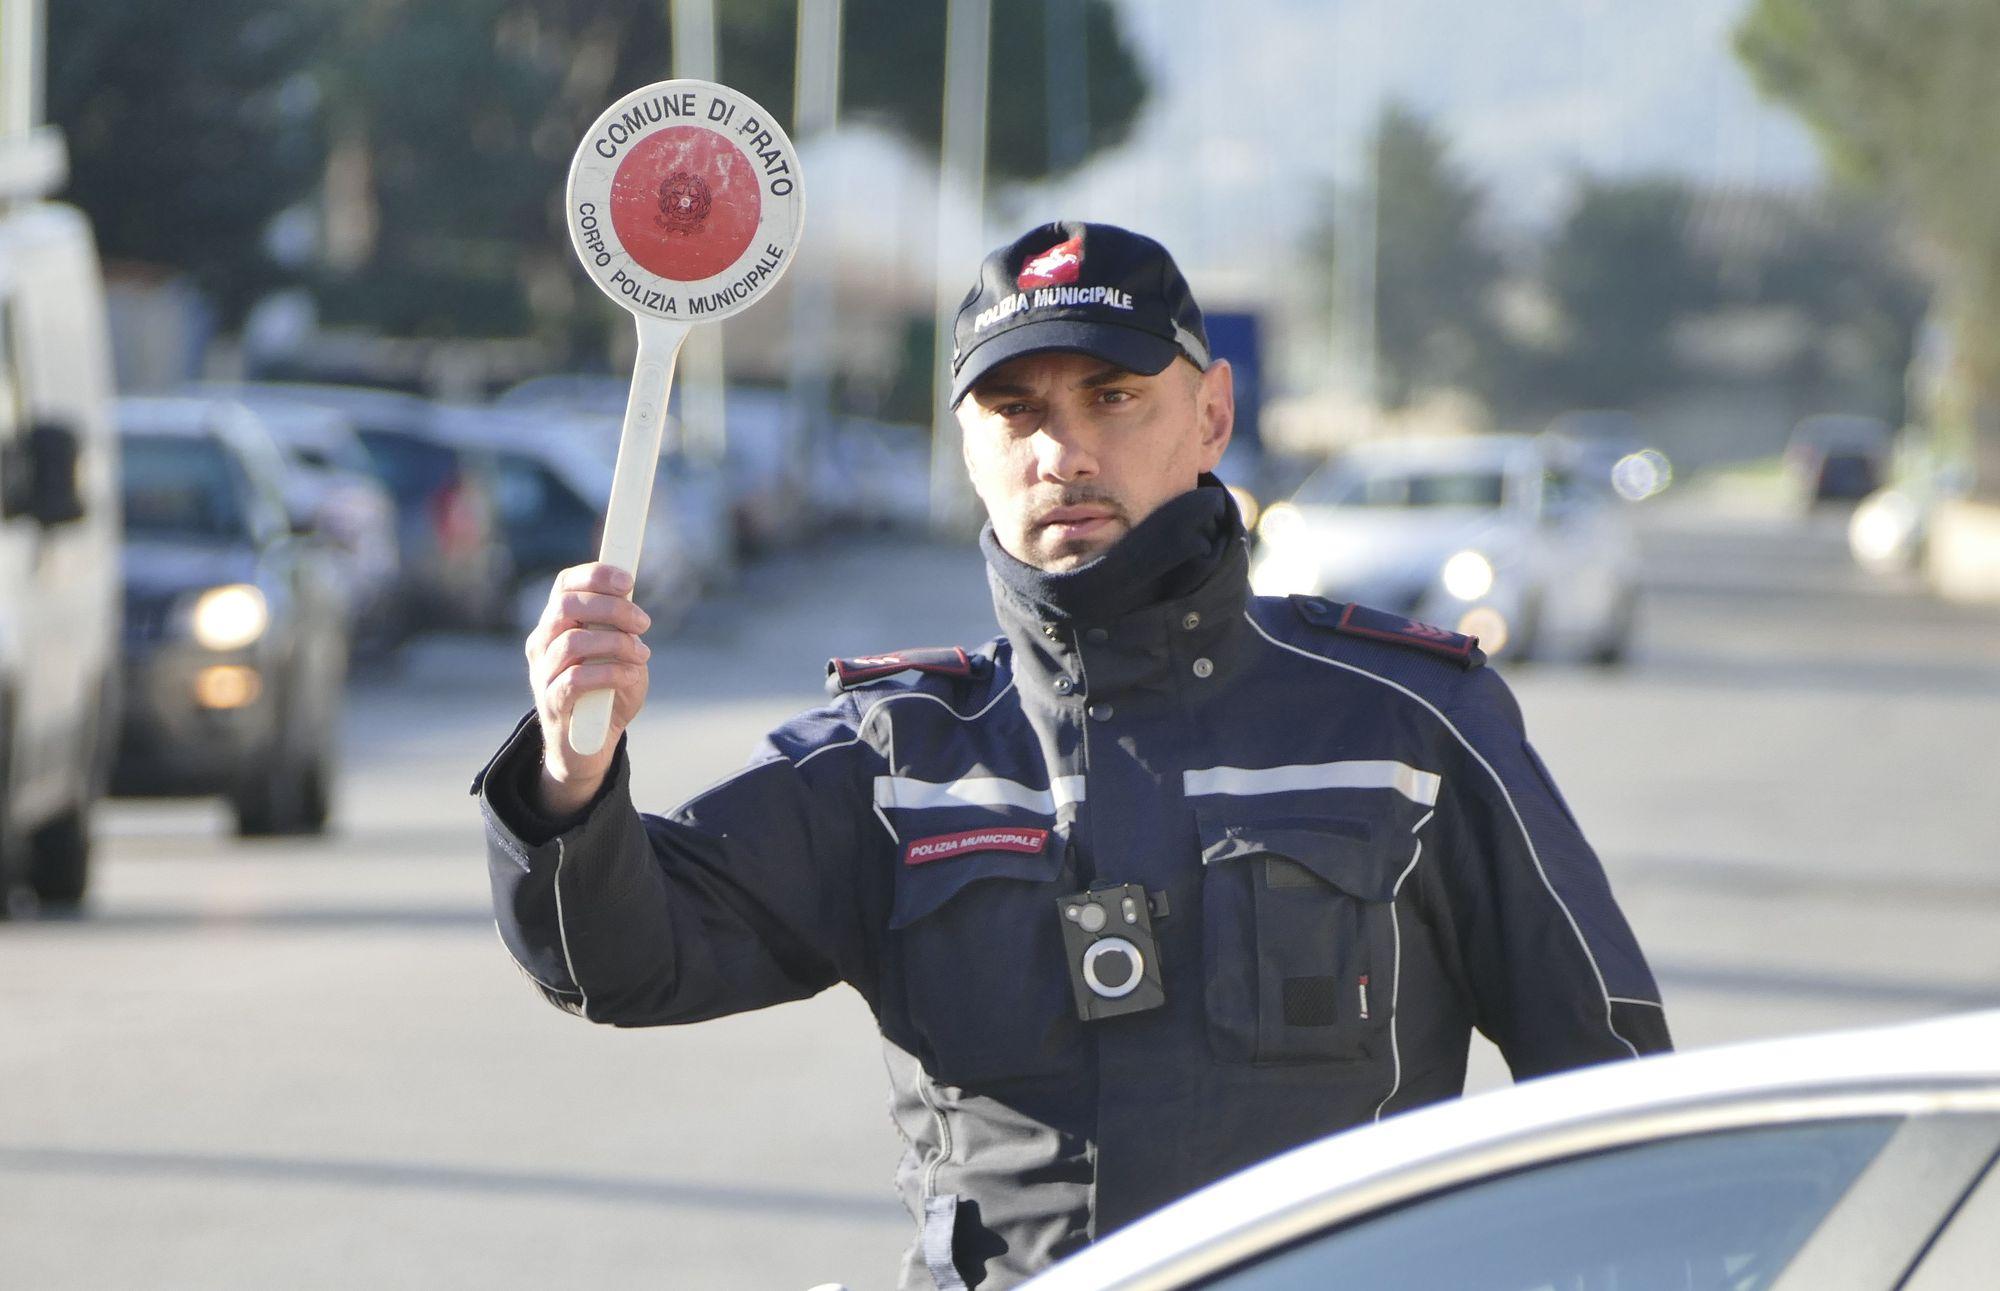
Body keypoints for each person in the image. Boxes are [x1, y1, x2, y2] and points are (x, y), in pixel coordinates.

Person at [474, 221, 1672, 1290]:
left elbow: (1611, 1093)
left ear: (1209, 417)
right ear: (968, 448)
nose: (1062, 451)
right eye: (1018, 413)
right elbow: (619, 964)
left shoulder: (1407, 720)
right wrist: (572, 771)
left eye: (1111, 398)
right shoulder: (897, 751)